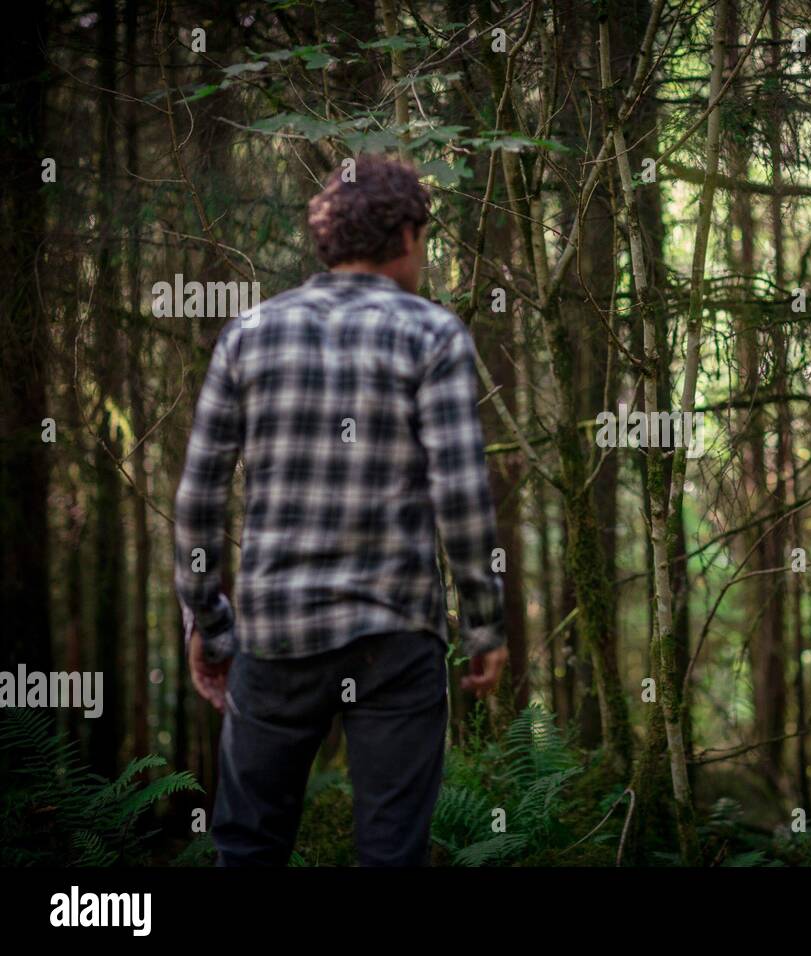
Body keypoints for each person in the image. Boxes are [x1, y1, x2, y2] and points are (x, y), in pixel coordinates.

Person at [173, 153, 508, 866]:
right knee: (391, 852)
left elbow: (199, 496)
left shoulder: (250, 335)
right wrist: (484, 625)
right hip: (395, 638)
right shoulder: (433, 335)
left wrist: (206, 620)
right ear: (410, 236)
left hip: (275, 635)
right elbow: (462, 495)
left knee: (248, 846)